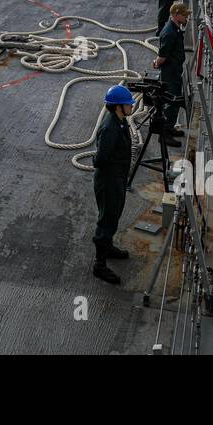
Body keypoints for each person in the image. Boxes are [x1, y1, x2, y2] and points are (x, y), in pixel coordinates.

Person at [92, 84, 135, 284]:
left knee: (114, 215)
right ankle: (99, 265)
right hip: (109, 181)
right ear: (118, 106)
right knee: (106, 220)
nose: (131, 107)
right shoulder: (110, 128)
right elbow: (100, 159)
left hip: (117, 178)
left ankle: (107, 247)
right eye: (128, 104)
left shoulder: (121, 121)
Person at [151, 2, 190, 154]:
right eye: (184, 15)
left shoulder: (175, 29)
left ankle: (170, 127)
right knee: (170, 102)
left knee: (174, 100)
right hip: (170, 73)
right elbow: (163, 56)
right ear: (176, 15)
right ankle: (164, 134)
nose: (186, 17)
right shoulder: (170, 32)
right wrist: (156, 63)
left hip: (175, 71)